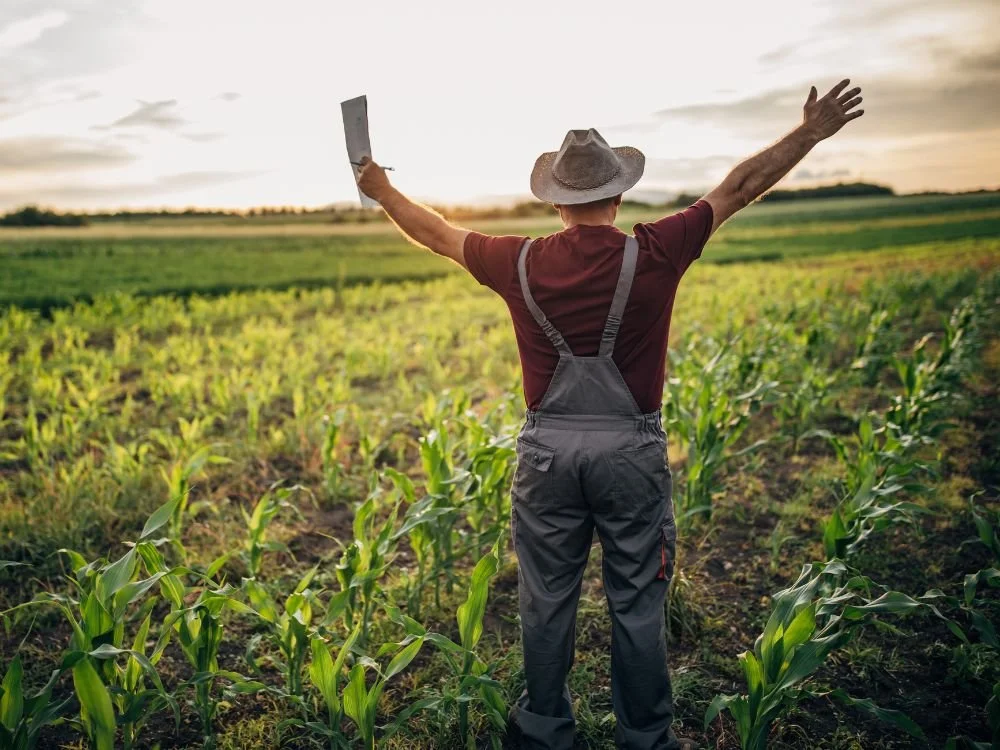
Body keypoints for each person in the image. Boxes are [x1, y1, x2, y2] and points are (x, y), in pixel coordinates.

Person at [356, 79, 864, 750]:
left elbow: (438, 234)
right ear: (618, 195)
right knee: (637, 603)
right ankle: (645, 738)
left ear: (557, 202)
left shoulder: (520, 262)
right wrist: (808, 134)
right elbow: (740, 188)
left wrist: (381, 189)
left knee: (544, 601)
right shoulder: (656, 250)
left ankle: (544, 731)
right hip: (630, 456)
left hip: (547, 457)